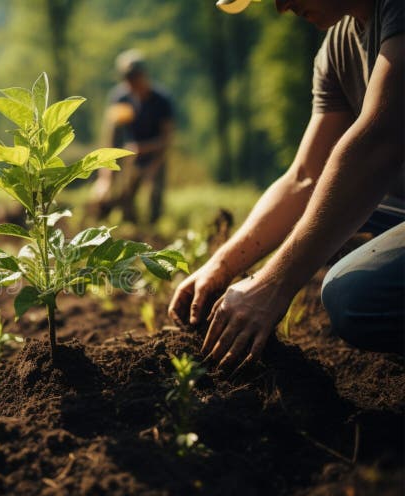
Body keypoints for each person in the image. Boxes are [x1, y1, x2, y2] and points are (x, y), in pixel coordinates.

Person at [169, 0, 404, 372]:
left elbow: (377, 144)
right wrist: (223, 264)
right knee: (328, 221)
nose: (280, 7)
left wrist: (272, 286)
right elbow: (305, 177)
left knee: (353, 297)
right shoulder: (337, 47)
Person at [90, 49, 174, 223]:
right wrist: (104, 177)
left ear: (144, 75)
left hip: (155, 155)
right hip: (130, 156)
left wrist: (147, 156)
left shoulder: (161, 101)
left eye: (134, 77)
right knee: (125, 197)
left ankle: (155, 231)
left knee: (154, 197)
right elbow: (111, 137)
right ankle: (132, 232)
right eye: (127, 78)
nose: (131, 82)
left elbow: (167, 140)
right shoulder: (120, 98)